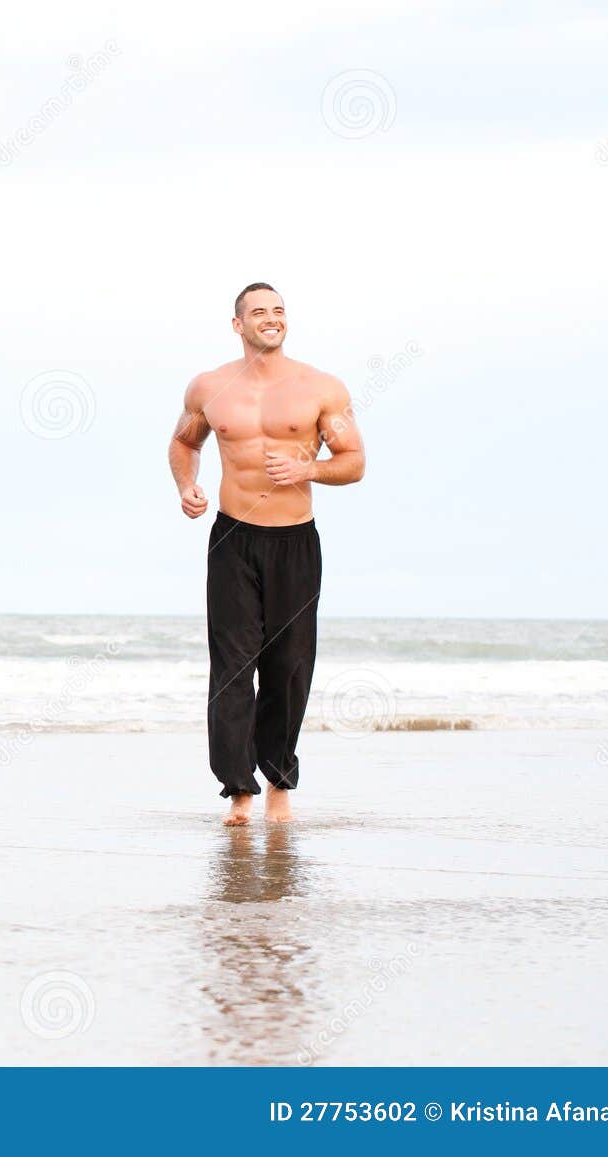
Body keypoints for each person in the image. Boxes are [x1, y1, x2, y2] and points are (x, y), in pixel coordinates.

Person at [168, 283, 367, 825]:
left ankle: (279, 781)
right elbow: (186, 443)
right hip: (233, 538)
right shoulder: (210, 387)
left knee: (290, 667)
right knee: (232, 668)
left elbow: (353, 461)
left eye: (279, 311)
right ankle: (239, 791)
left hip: (294, 541)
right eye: (259, 312)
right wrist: (187, 486)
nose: (272, 319)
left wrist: (309, 469)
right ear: (238, 324)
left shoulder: (320, 388)